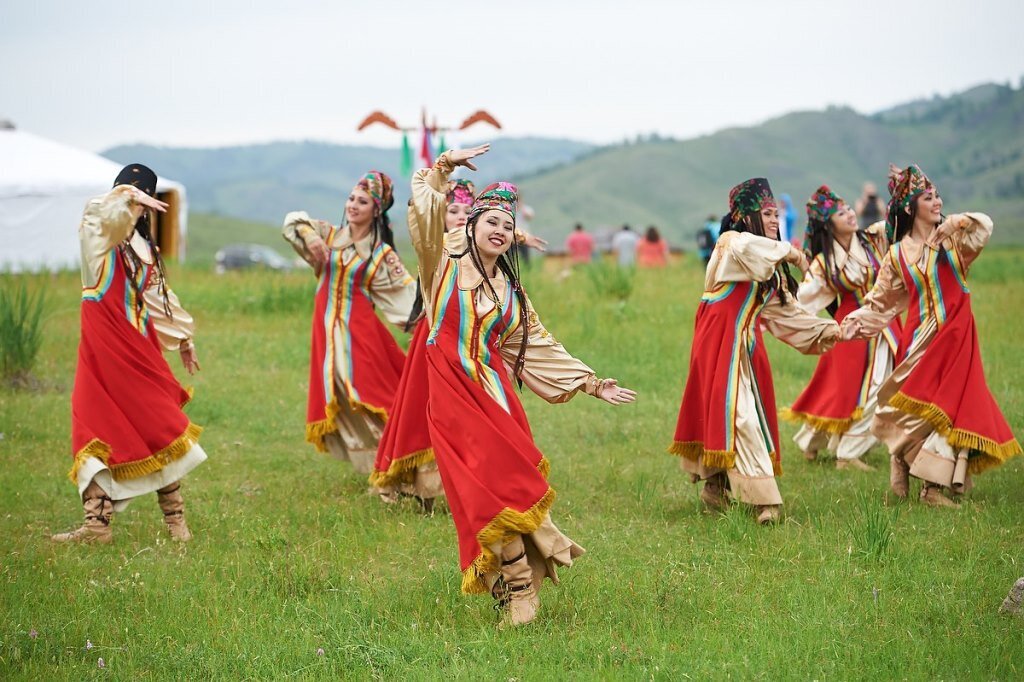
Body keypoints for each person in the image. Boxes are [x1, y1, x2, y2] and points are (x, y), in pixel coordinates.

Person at [409, 145, 636, 626]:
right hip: (450, 397)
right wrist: (444, 166)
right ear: (469, 226)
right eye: (490, 221)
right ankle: (516, 585)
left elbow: (539, 347)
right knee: (484, 491)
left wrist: (592, 384)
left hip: (494, 399)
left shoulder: (513, 294)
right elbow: (425, 209)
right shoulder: (442, 262)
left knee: (503, 485)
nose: (499, 230)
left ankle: (519, 589)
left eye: (507, 226)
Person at [841, 164, 1021, 506]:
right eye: (928, 197)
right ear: (911, 207)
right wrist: (852, 323)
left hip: (958, 335)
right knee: (926, 408)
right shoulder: (896, 254)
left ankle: (926, 479)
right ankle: (916, 474)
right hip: (921, 339)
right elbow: (880, 302)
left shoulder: (955, 238)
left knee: (954, 407)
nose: (937, 202)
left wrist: (957, 221)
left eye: (938, 195)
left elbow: (986, 226)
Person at [668, 178, 839, 525]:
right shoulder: (730, 244)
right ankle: (764, 500)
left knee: (735, 413)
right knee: (739, 414)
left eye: (777, 214)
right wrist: (791, 252)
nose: (776, 220)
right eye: (767, 213)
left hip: (741, 345)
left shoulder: (769, 273)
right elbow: (748, 250)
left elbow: (788, 318)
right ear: (745, 217)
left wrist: (836, 329)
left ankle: (715, 487)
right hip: (717, 343)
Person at [371, 180, 548, 511]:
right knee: (422, 415)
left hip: (474, 349)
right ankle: (427, 487)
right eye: (453, 210)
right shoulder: (439, 251)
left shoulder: (491, 264)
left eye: (467, 210)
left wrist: (518, 236)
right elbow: (421, 215)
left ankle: (478, 488)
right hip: (436, 339)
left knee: (474, 419)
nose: (459, 216)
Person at [52, 164, 205, 544]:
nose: (131, 202)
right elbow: (95, 212)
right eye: (124, 192)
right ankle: (96, 525)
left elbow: (160, 299)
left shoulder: (144, 250)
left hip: (139, 353)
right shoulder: (97, 240)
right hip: (101, 354)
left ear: (150, 206)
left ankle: (176, 521)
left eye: (139, 196)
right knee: (92, 428)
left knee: (158, 428)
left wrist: (184, 338)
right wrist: (124, 198)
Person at [282, 171, 418, 474]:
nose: (353, 206)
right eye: (351, 198)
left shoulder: (381, 254)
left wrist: (435, 324)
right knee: (343, 397)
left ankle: (399, 461)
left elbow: (407, 298)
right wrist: (310, 236)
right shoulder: (329, 235)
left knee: (374, 397)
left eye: (363, 201)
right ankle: (379, 467)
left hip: (359, 333)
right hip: (326, 332)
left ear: (376, 210)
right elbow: (293, 222)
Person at [782, 185, 902, 471]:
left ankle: (811, 443)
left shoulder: (873, 239)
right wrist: (777, 312)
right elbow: (804, 300)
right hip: (853, 328)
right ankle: (847, 453)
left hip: (885, 323)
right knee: (860, 389)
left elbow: (900, 225)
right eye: (840, 212)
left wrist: (902, 191)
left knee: (866, 387)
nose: (849, 214)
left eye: (849, 208)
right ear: (828, 223)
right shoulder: (825, 263)